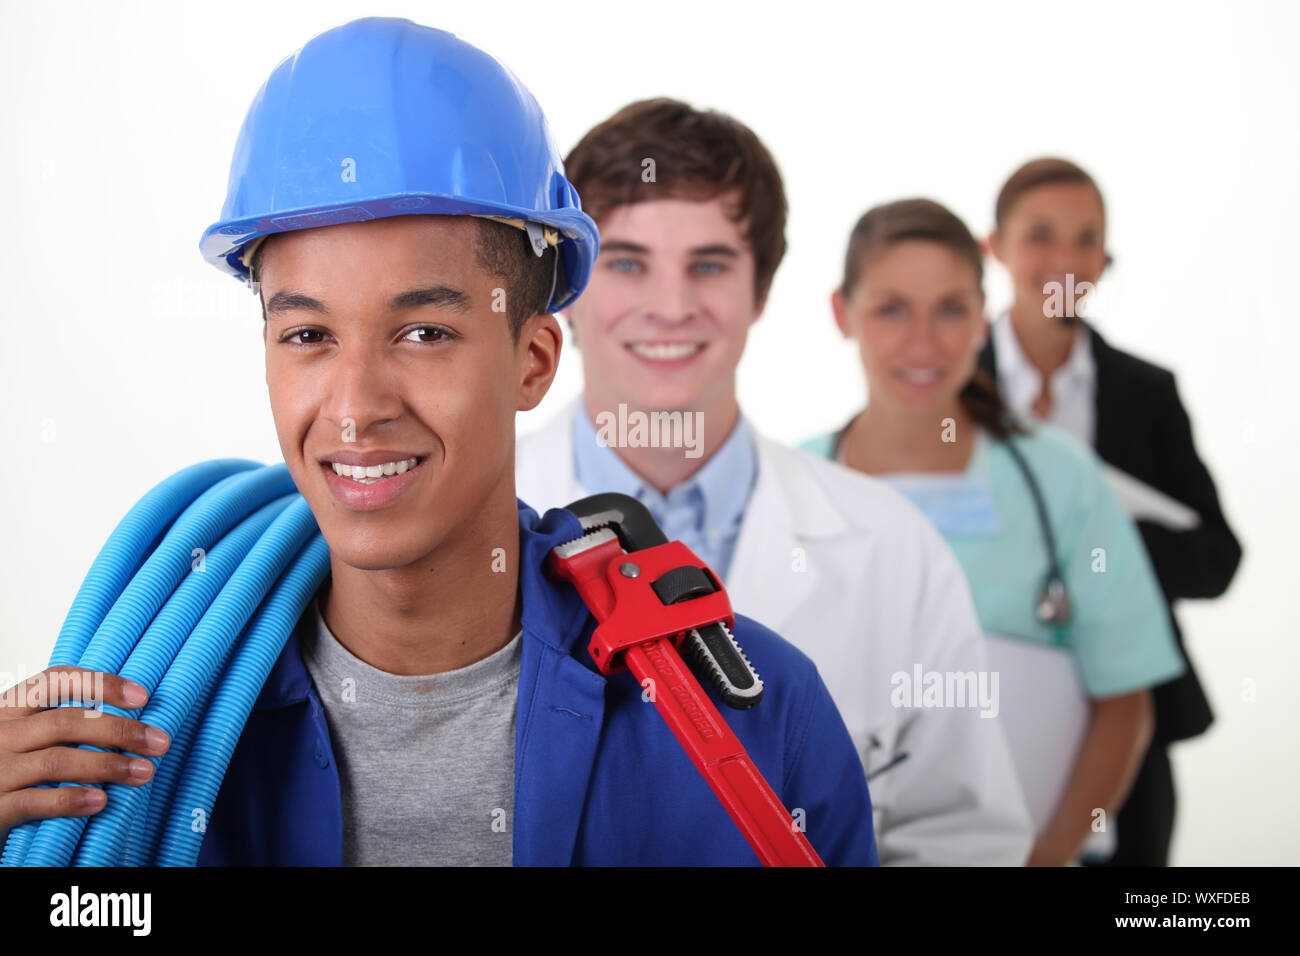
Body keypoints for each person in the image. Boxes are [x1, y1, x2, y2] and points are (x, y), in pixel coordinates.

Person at [0, 18, 878, 866]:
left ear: (532, 361)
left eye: (423, 333)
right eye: (308, 336)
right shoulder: (141, 733)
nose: (356, 407)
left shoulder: (758, 714)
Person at [515, 99, 1034, 865]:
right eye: (627, 262)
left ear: (762, 292)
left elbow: (961, 840)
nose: (671, 306)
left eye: (710, 264)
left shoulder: (894, 552)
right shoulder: (473, 526)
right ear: (570, 288)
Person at [801, 198, 1186, 866]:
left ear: (983, 315)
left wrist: (1048, 857)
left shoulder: (1059, 477)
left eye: (951, 309)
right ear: (843, 314)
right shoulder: (795, 485)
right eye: (892, 309)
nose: (924, 341)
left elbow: (1124, 699)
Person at [981, 158, 1242, 865]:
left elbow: (1218, 560)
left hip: (1125, 710)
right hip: (979, 708)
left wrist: (1098, 550)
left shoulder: (1144, 391)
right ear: (994, 247)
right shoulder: (948, 380)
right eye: (1041, 235)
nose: (1065, 259)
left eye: (1086, 239)